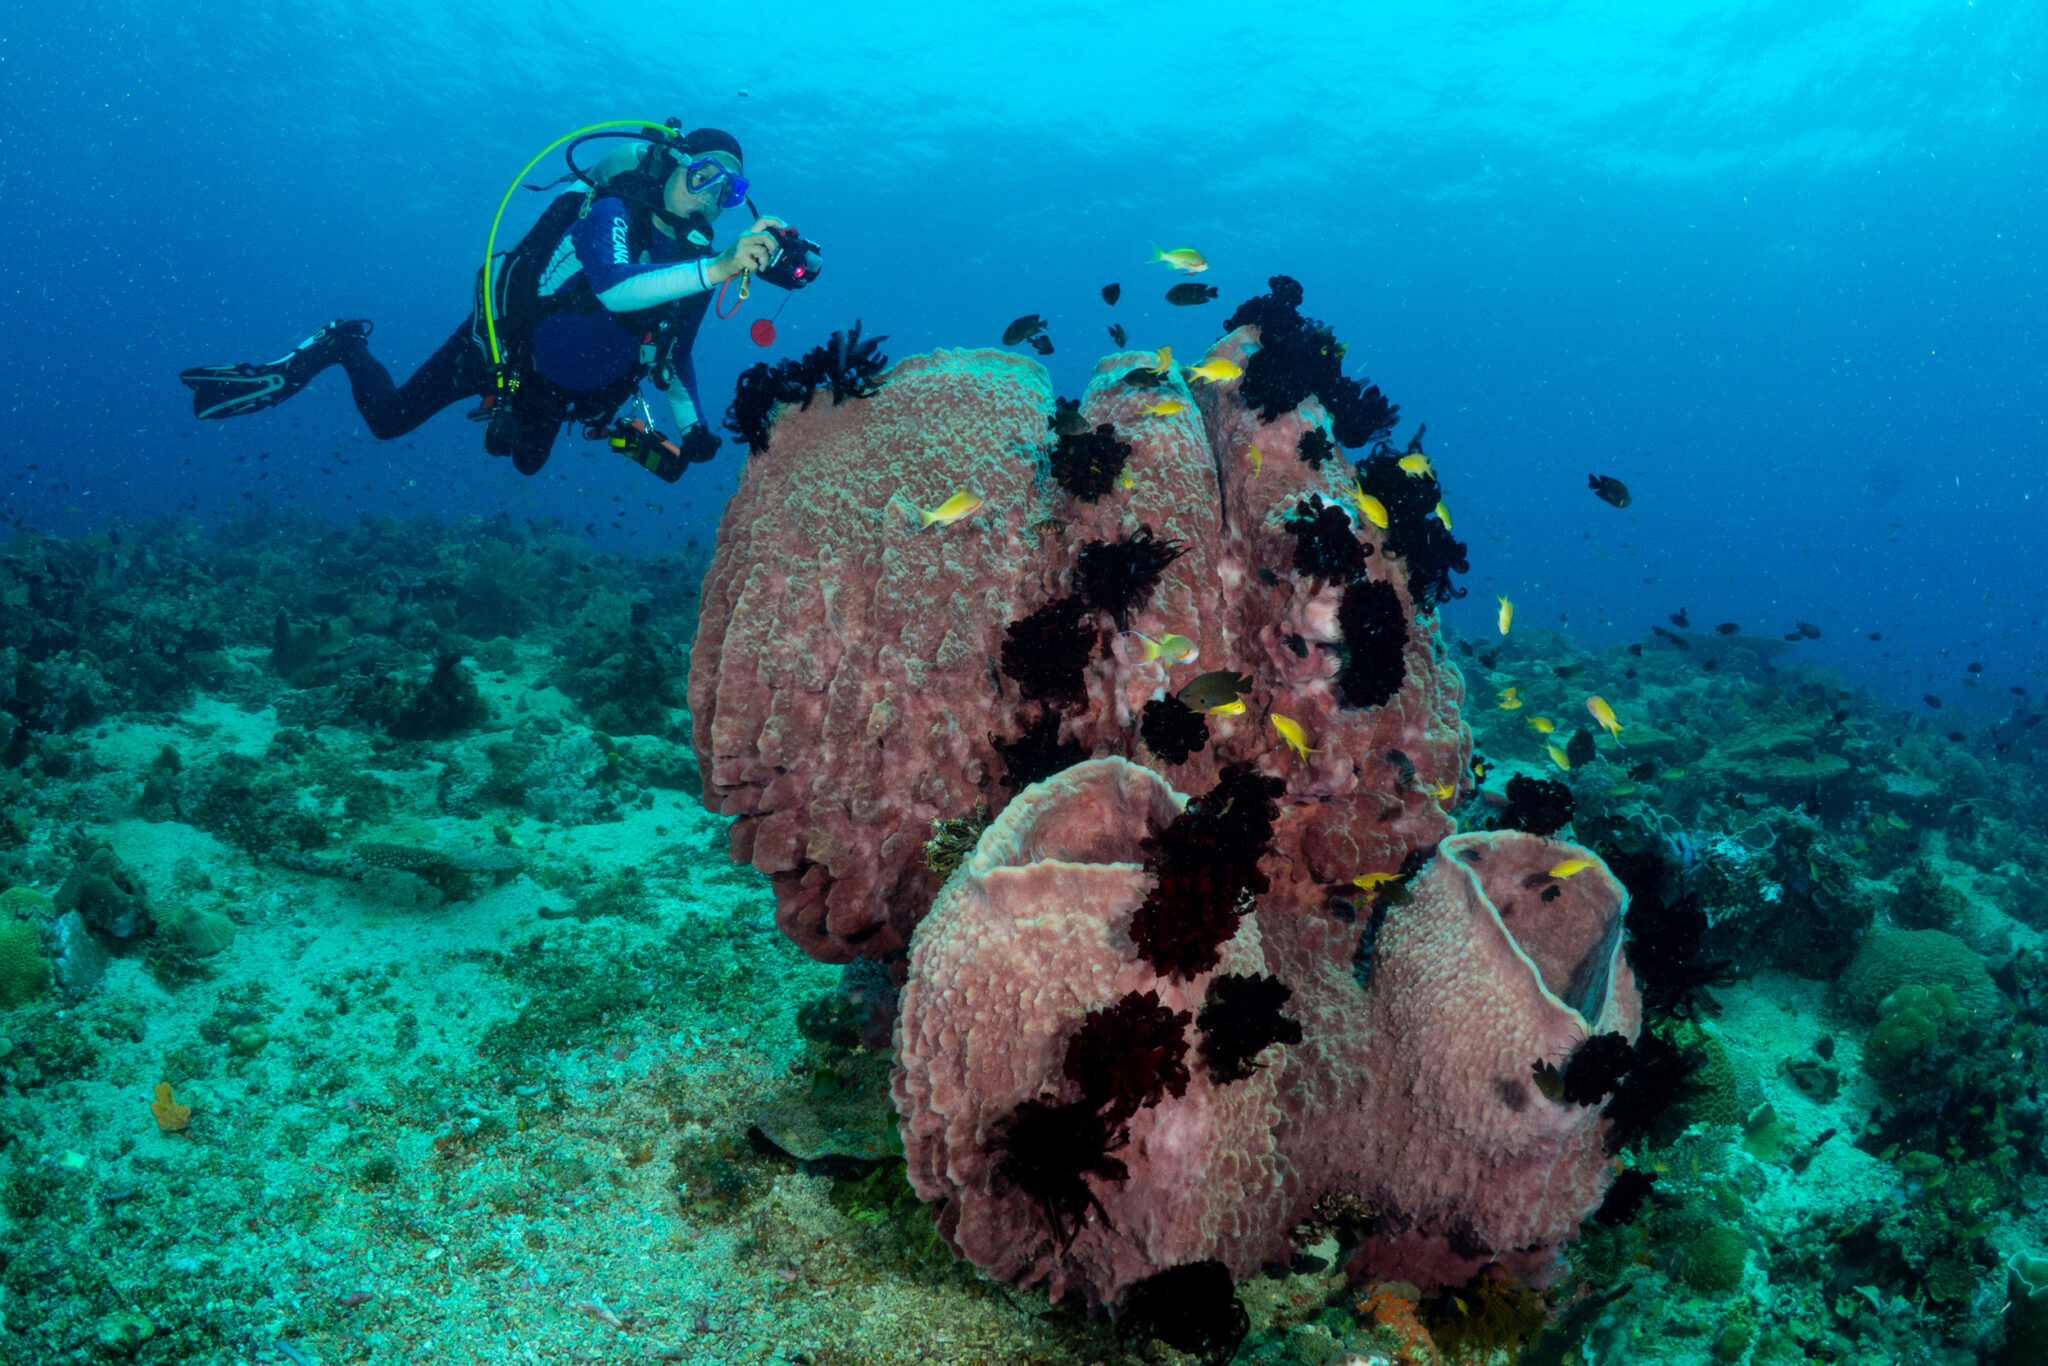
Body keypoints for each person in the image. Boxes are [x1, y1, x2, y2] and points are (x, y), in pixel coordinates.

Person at [179, 127, 781, 480]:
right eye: (704, 175)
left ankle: (567, 424)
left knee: (531, 465)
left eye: (730, 190)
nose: (712, 197)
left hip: (569, 395)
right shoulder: (614, 211)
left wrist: (692, 428)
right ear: (672, 164)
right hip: (499, 352)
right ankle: (343, 344)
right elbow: (614, 287)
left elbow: (676, 357)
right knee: (388, 422)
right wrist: (718, 267)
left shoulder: (700, 267)